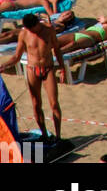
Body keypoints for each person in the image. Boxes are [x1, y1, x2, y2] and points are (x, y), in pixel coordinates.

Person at [0, 13, 65, 142]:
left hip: (48, 69)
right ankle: (44, 135)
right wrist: (4, 65)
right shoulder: (24, 34)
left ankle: (58, 136)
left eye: (32, 29)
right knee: (36, 104)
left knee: (54, 104)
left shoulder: (48, 31)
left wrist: (62, 68)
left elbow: (57, 49)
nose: (30, 31)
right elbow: (16, 57)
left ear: (37, 24)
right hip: (32, 70)